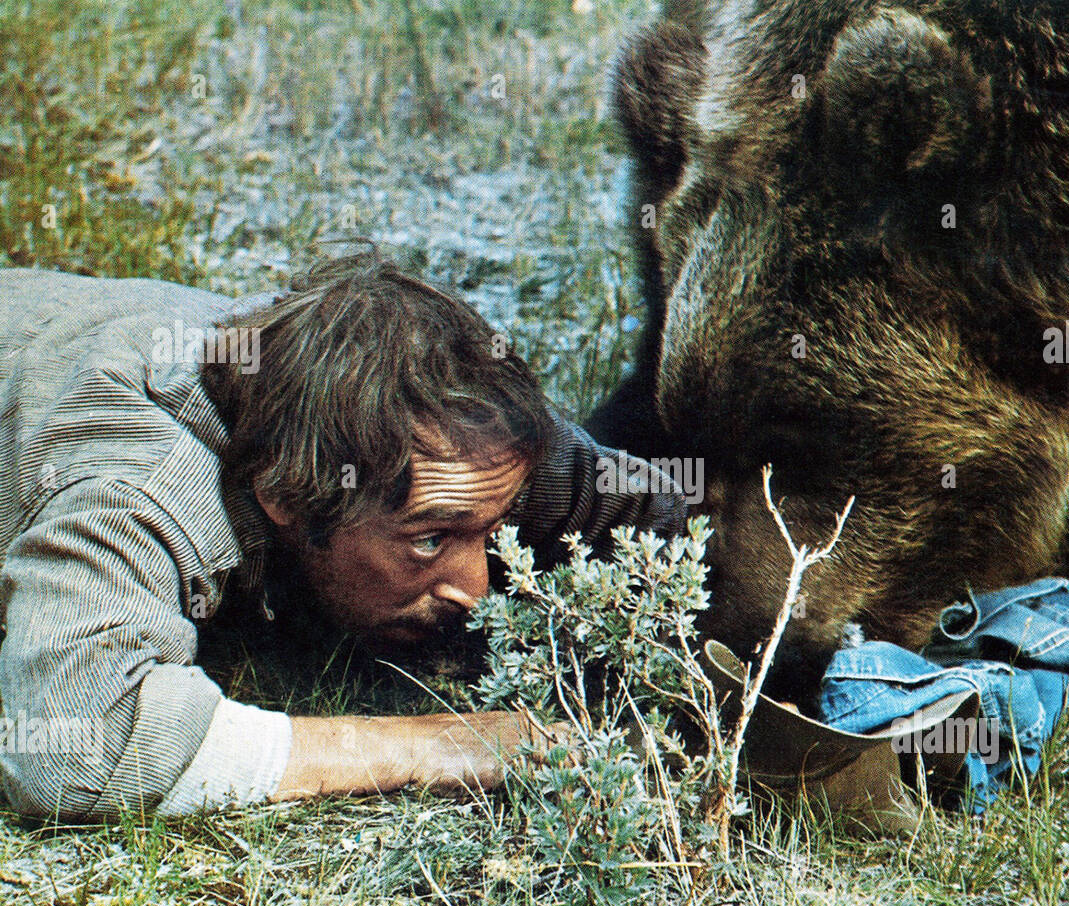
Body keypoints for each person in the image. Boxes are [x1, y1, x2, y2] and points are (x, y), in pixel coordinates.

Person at [0, 251, 685, 821]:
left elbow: (664, 516)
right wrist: (439, 744)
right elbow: (73, 747)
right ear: (284, 496)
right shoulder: (147, 480)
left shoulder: (450, 442)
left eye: (495, 527)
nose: (478, 590)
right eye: (429, 541)